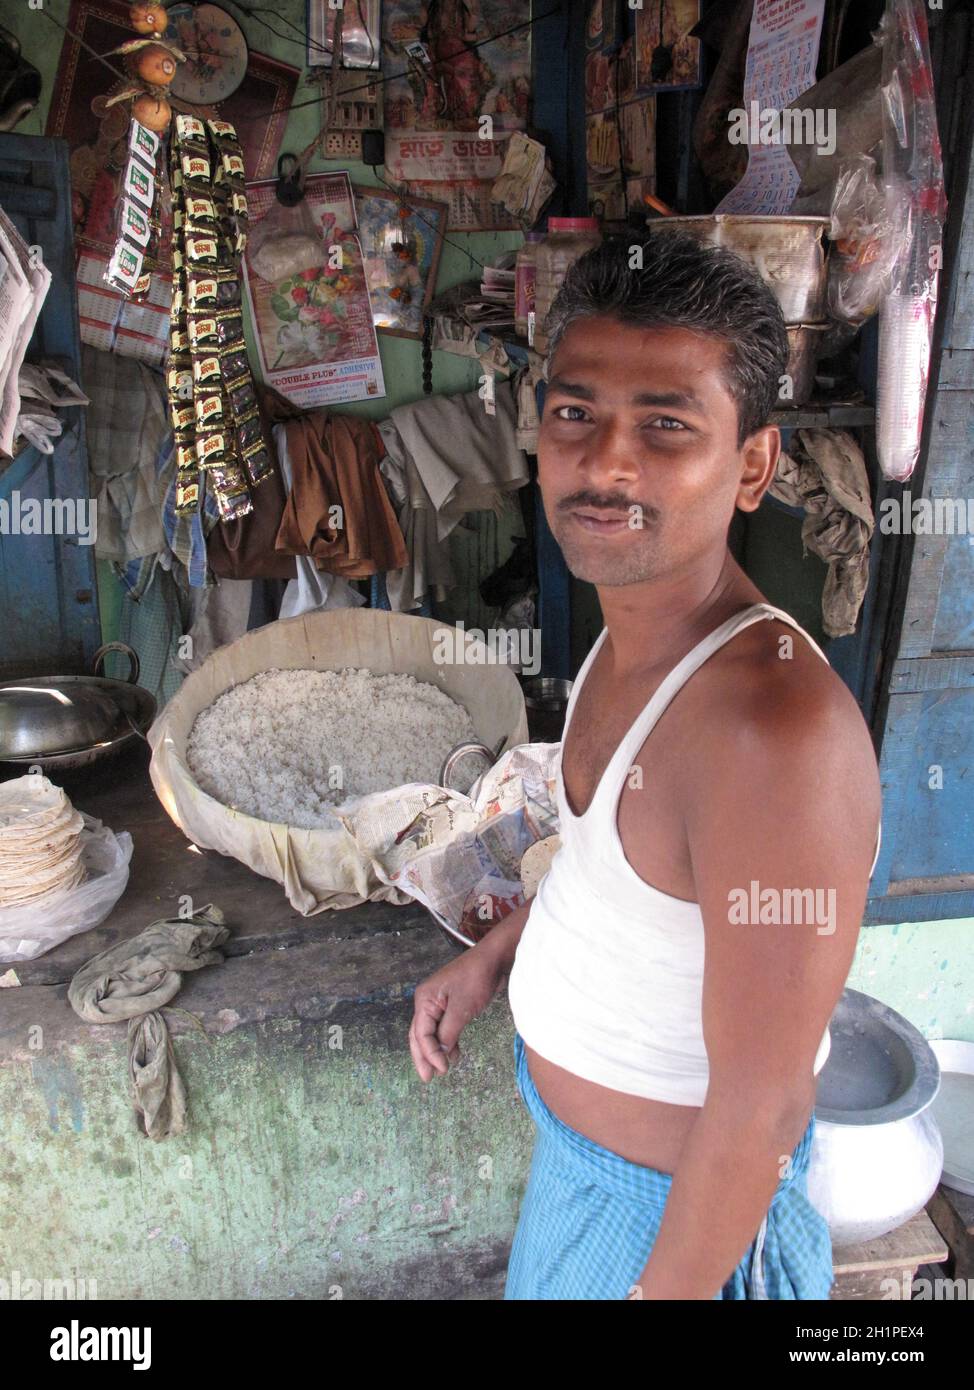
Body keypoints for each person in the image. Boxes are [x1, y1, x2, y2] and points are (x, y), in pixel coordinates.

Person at [408, 232, 882, 1300]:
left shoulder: (771, 737)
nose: (605, 461)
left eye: (665, 426)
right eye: (574, 414)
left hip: (672, 1231)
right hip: (586, 1182)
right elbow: (610, 868)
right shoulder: (630, 638)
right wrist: (494, 958)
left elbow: (760, 1108)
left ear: (752, 464)